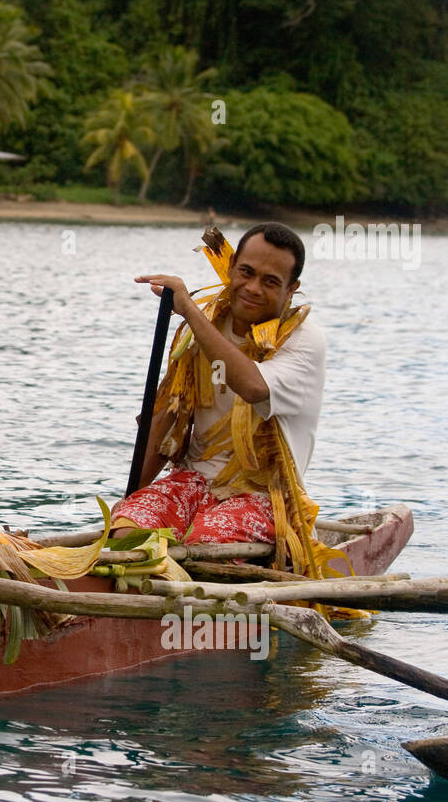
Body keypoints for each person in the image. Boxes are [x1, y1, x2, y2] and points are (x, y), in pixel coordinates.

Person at [113, 222, 335, 577]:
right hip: (193, 481)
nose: (252, 288)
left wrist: (188, 310)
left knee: (203, 553)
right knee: (125, 536)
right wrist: (131, 500)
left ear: (291, 289)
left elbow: (253, 386)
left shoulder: (305, 341)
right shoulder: (206, 322)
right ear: (231, 269)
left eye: (270, 281)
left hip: (263, 496)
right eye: (245, 273)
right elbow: (167, 418)